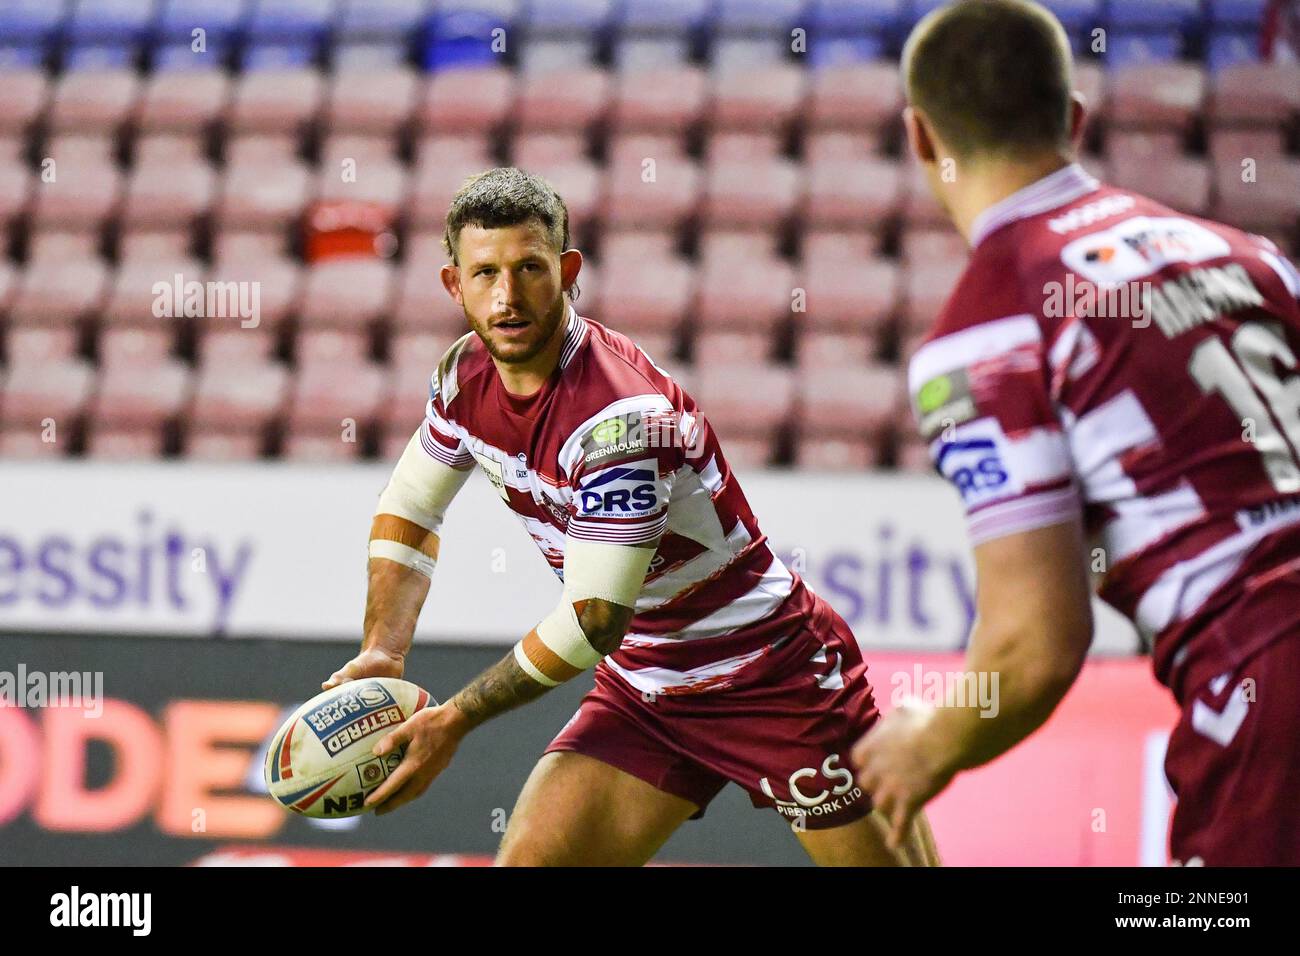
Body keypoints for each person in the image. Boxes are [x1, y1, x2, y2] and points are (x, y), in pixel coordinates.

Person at [324, 167, 940, 866]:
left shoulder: (619, 419)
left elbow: (593, 619)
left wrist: (455, 720)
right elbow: (410, 506)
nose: (507, 296)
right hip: (647, 692)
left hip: (770, 678)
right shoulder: (461, 378)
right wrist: (384, 647)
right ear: (453, 284)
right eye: (485, 272)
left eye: (529, 268)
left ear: (566, 270)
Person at [851, 0, 1300, 866]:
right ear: (1075, 119)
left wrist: (929, 742)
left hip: (1268, 683)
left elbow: (1037, 644)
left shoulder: (985, 335)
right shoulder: (1253, 258)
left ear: (918, 138)